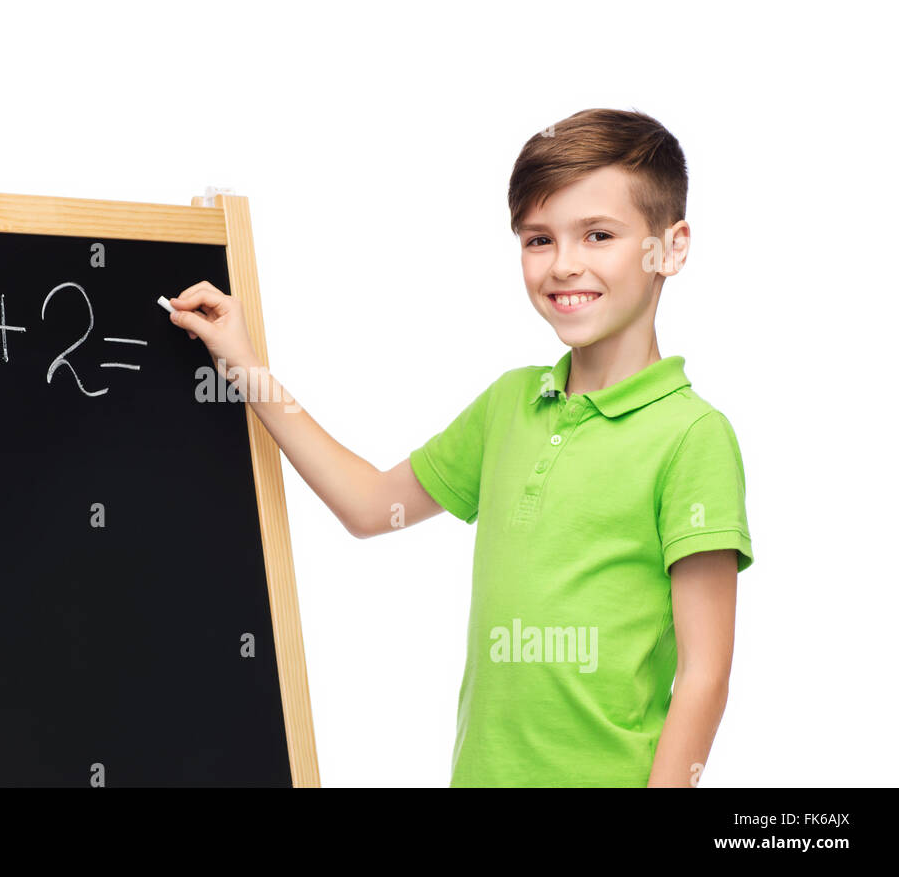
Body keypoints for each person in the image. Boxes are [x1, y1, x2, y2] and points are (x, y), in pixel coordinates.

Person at [167, 108, 753, 787]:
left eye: (598, 234)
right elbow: (369, 506)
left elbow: (705, 675)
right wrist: (246, 366)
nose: (564, 265)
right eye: (538, 239)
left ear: (670, 249)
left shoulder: (691, 436)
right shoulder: (509, 404)